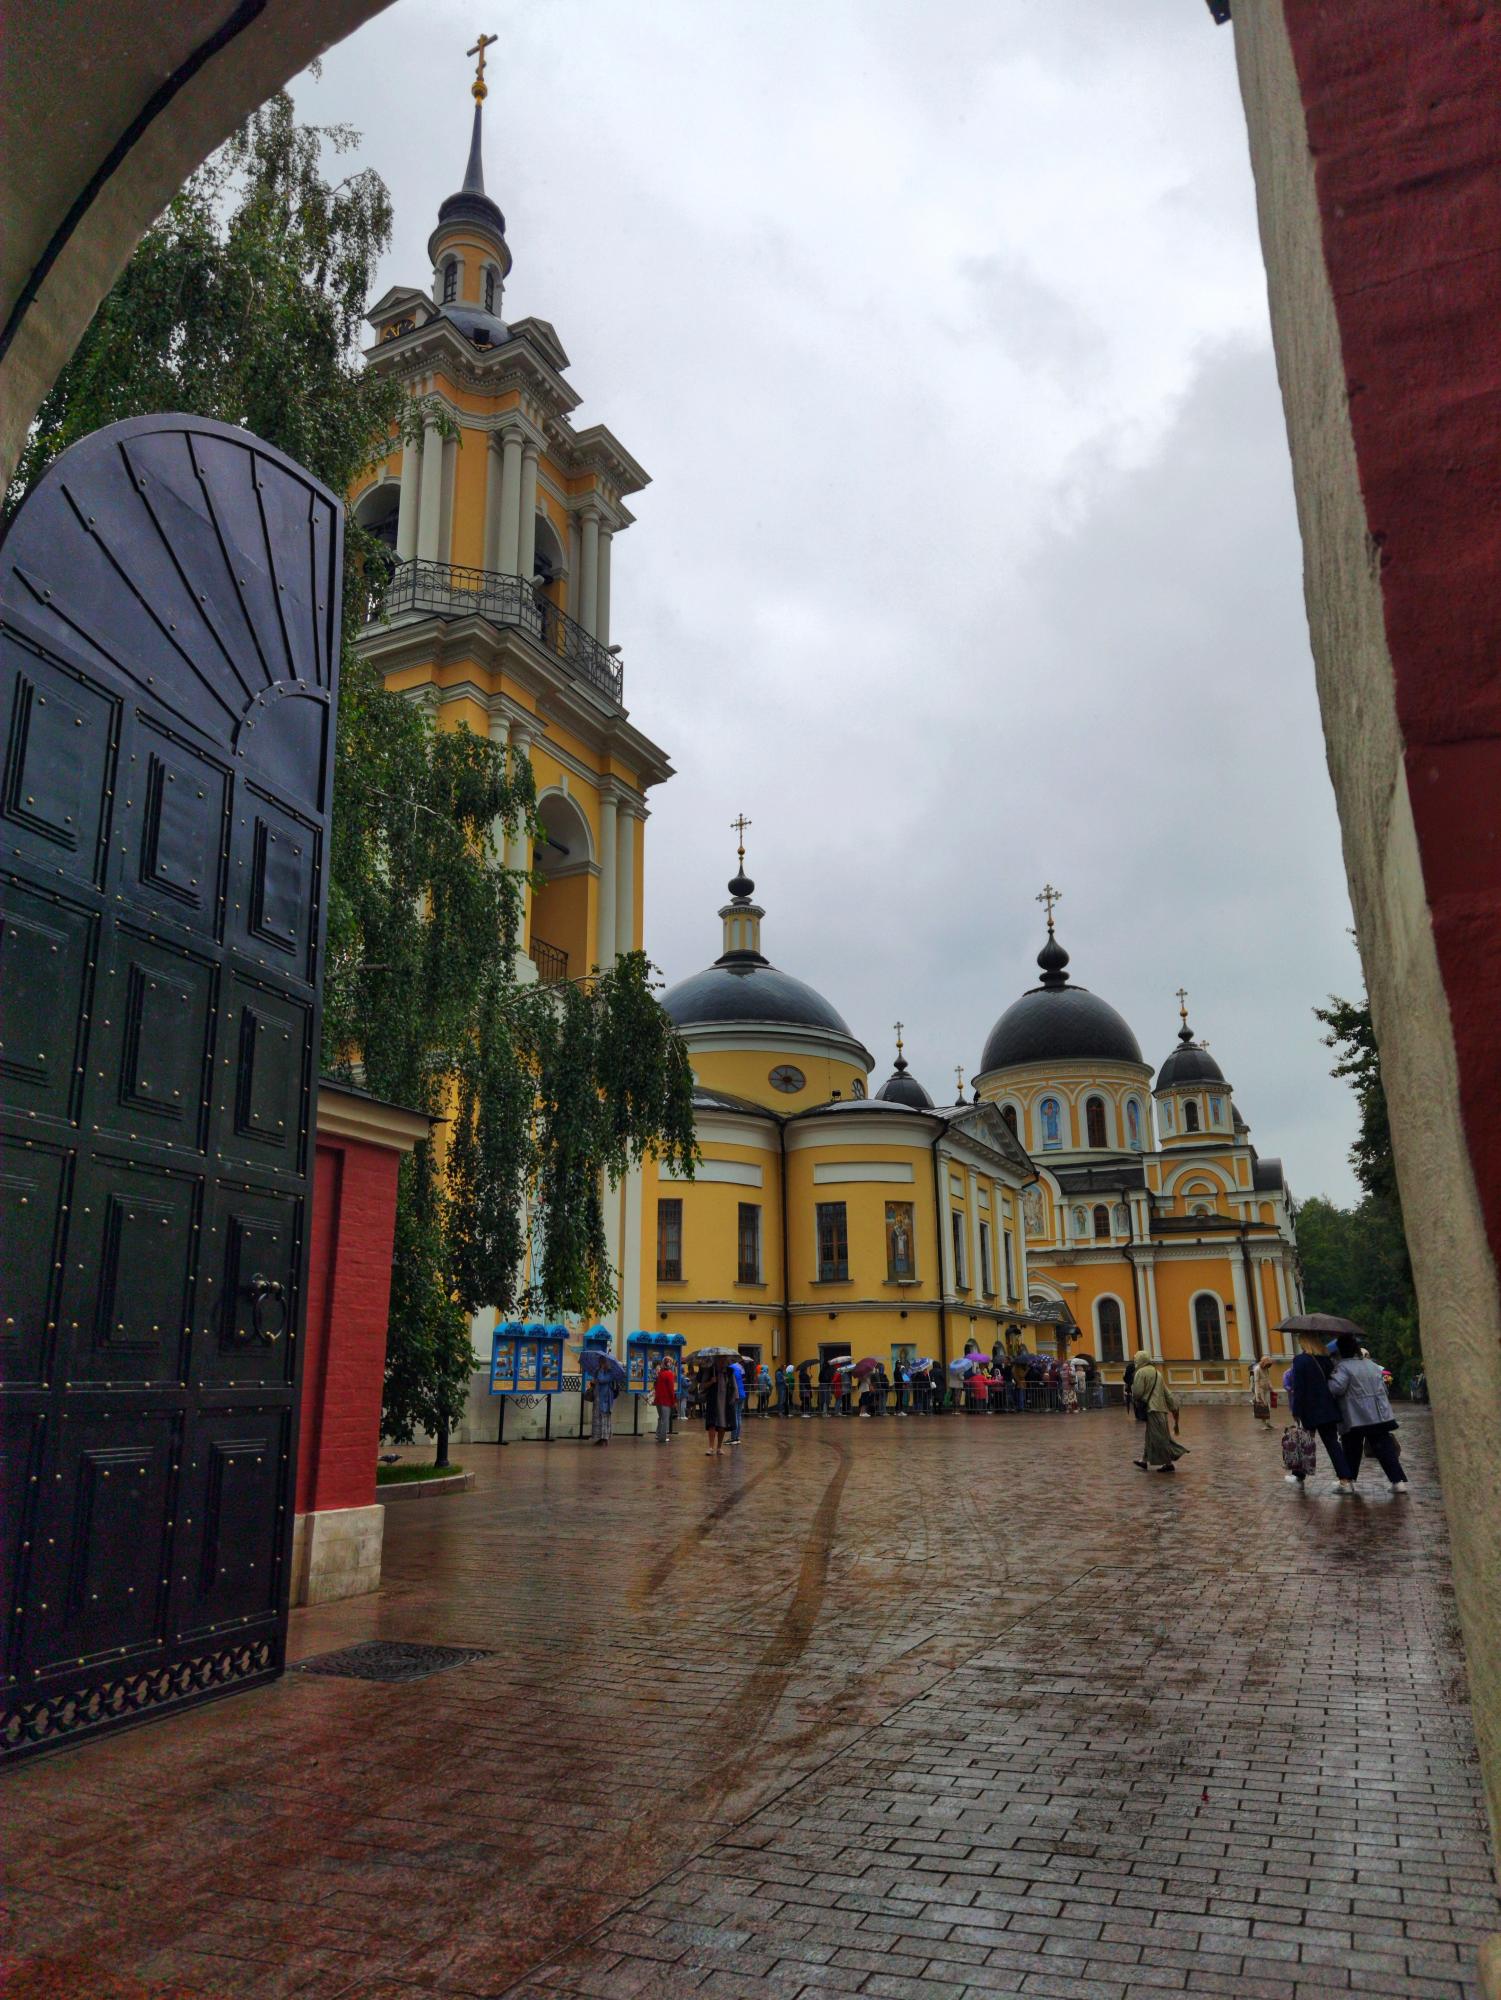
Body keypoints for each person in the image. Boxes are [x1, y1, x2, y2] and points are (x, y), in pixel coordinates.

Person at [1329, 1332, 1410, 1489]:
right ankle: (1398, 1482)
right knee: (1385, 1449)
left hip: (1355, 1417)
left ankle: (1349, 1483)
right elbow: (1384, 1390)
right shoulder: (1372, 1365)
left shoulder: (1343, 1367)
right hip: (1380, 1415)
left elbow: (1336, 1389)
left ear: (1340, 1350)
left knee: (1351, 1449)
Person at [1287, 1329, 1355, 1491]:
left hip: (1310, 1408)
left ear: (1305, 1342)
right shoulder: (1326, 1360)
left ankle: (1298, 1475)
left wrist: (1296, 1410)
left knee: (1304, 1441)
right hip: (1327, 1407)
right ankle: (1346, 1480)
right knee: (1332, 1444)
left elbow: (1299, 1388)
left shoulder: (1300, 1360)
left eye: (1300, 1340)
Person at [1129, 1350, 1186, 1473]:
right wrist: (1173, 1407)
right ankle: (1144, 1460)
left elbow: (1138, 1392)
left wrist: (1133, 1392)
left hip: (1151, 1408)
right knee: (1151, 1436)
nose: (1135, 1362)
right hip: (1161, 1409)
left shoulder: (1141, 1372)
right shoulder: (1157, 1373)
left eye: (1136, 1359)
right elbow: (1166, 1392)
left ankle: (1169, 1462)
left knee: (1159, 1437)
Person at [651, 1360, 677, 1445]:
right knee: (665, 1419)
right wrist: (673, 1401)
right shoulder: (669, 1374)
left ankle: (658, 1434)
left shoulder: (660, 1373)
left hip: (658, 1399)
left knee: (660, 1418)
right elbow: (671, 1389)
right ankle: (662, 1438)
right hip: (666, 1400)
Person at [590, 1366, 615, 1447]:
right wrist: (593, 1382)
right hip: (598, 1399)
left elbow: (602, 1379)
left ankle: (604, 1439)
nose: (600, 1364)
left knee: (604, 1419)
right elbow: (597, 1381)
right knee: (597, 1419)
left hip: (605, 1400)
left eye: (602, 1362)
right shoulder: (599, 1371)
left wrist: (600, 1370)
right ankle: (599, 1438)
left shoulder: (610, 1373)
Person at [1250, 1356, 1273, 1428]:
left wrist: (1271, 1386)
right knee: (1263, 1407)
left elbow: (1268, 1377)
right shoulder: (1257, 1369)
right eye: (1267, 1364)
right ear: (1263, 1363)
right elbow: (1256, 1381)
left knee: (1267, 1407)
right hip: (1260, 1390)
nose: (1267, 1366)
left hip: (1266, 1389)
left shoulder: (1266, 1369)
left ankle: (1268, 1423)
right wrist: (1258, 1394)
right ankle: (1265, 1424)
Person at [729, 1354, 746, 1445]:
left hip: (736, 1395)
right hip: (742, 1394)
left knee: (735, 1416)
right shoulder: (738, 1368)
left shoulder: (731, 1368)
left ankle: (733, 1438)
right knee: (738, 1416)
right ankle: (737, 1437)